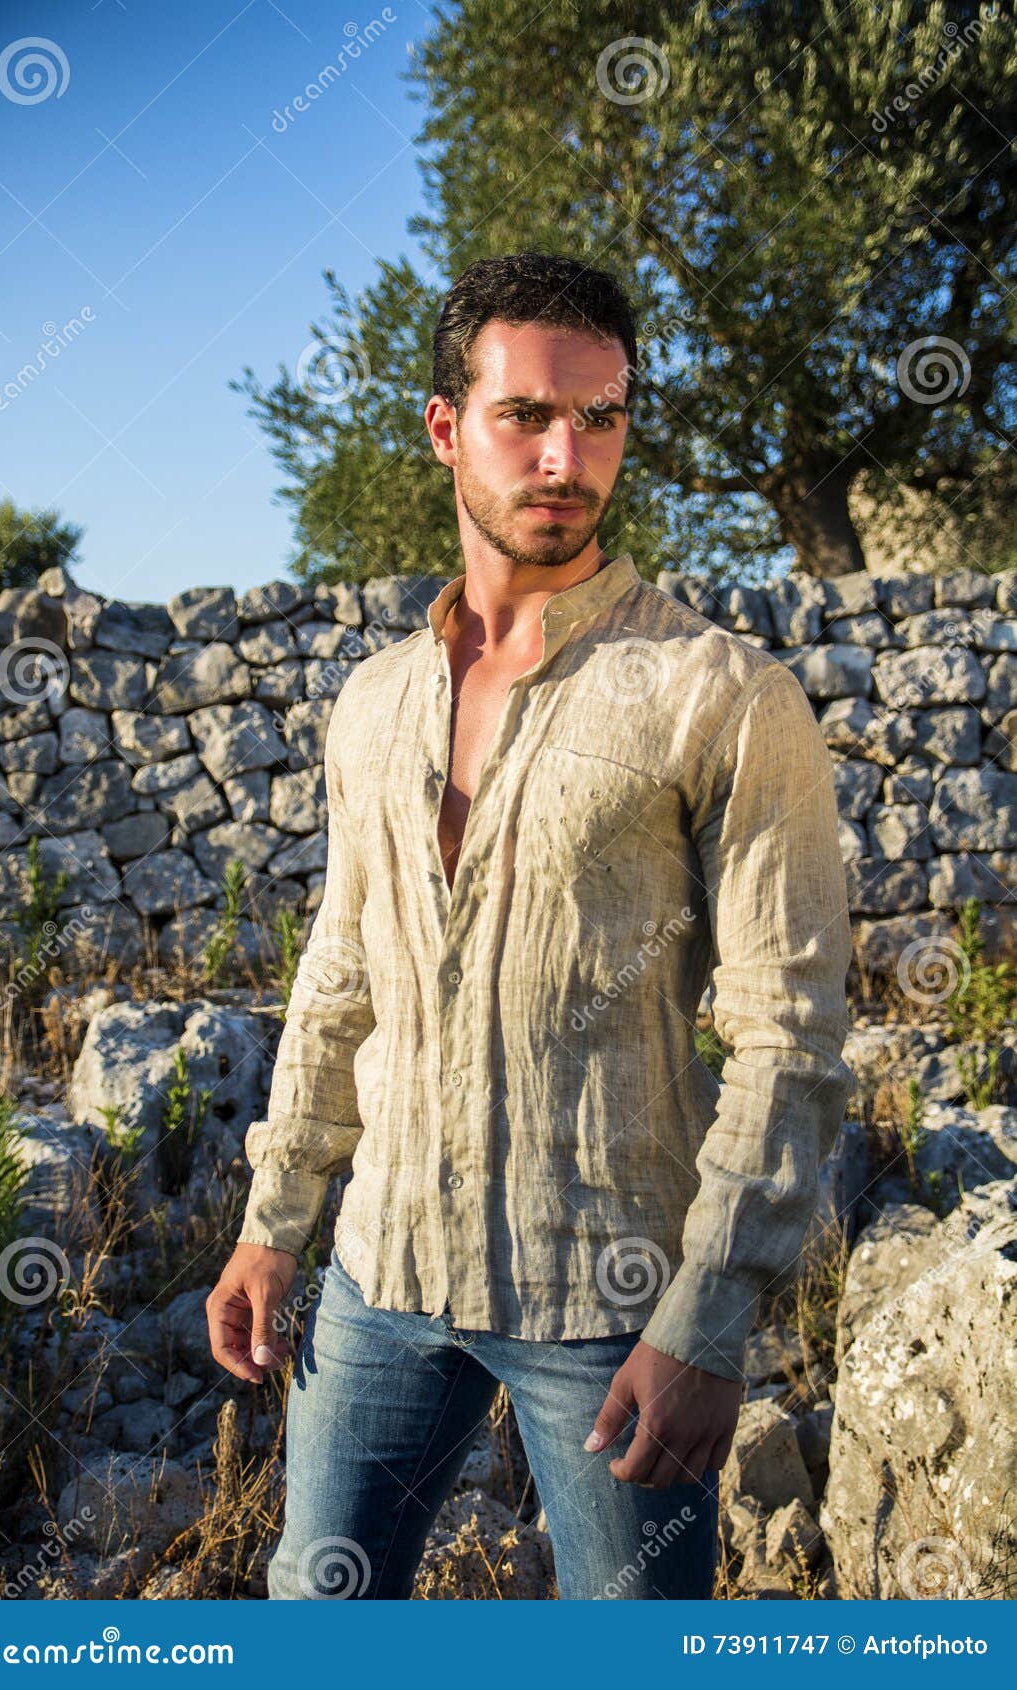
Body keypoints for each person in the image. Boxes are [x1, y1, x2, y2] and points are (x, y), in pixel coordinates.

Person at [207, 250, 856, 1600]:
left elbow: (789, 1030)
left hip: (608, 1300)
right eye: (527, 415)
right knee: (317, 1612)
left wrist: (710, 1319)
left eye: (602, 417)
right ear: (445, 427)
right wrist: (279, 1219)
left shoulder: (718, 694)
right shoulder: (373, 702)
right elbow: (342, 972)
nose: (569, 455)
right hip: (381, 1273)